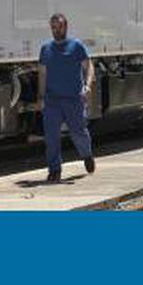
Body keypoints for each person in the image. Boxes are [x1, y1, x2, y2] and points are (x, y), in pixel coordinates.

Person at [38, 13, 96, 182]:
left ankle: (87, 155)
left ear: (66, 26)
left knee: (78, 132)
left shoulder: (76, 46)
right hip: (52, 100)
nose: (56, 30)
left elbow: (88, 66)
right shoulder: (46, 49)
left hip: (74, 99)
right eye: (53, 27)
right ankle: (54, 170)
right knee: (51, 136)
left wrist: (87, 85)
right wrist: (41, 97)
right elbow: (42, 73)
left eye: (59, 27)